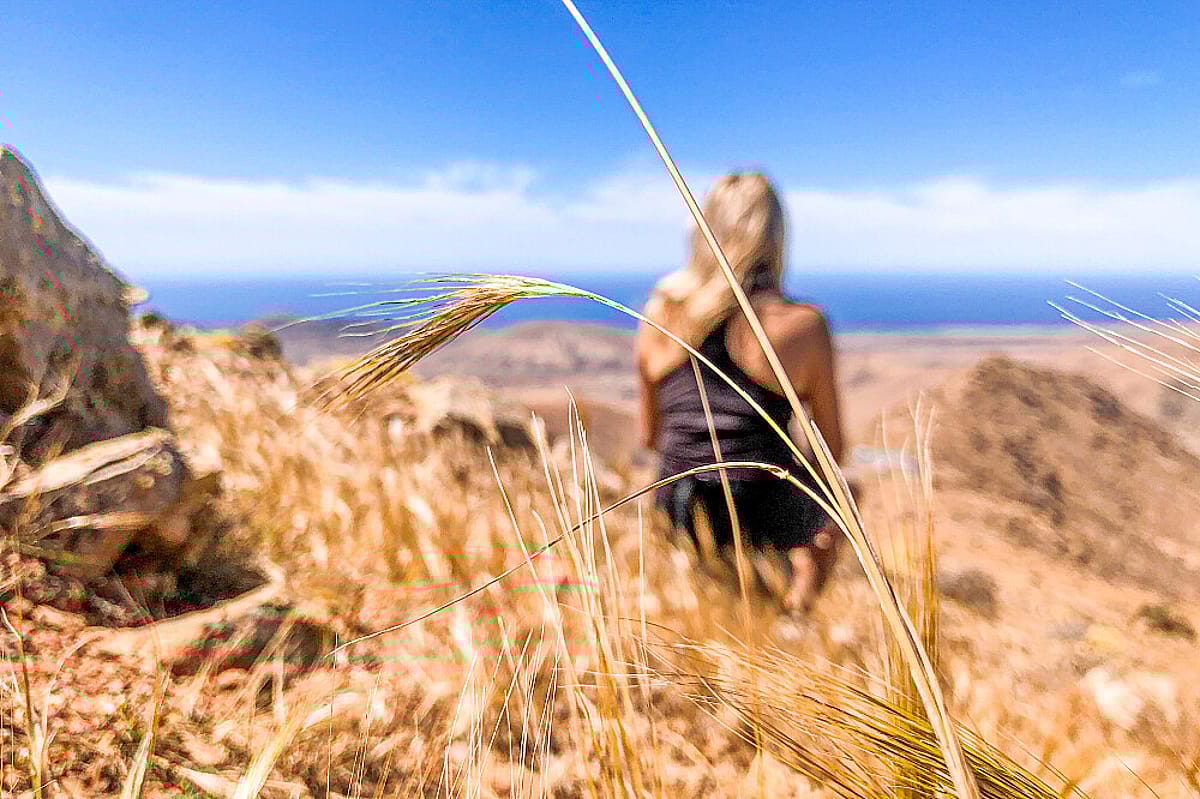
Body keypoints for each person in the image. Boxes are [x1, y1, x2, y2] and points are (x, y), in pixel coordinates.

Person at [636, 171, 846, 613]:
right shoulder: (803, 325)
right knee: (849, 496)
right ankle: (798, 610)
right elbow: (833, 450)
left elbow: (651, 437)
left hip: (676, 507)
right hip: (759, 510)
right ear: (775, 238)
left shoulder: (659, 312)